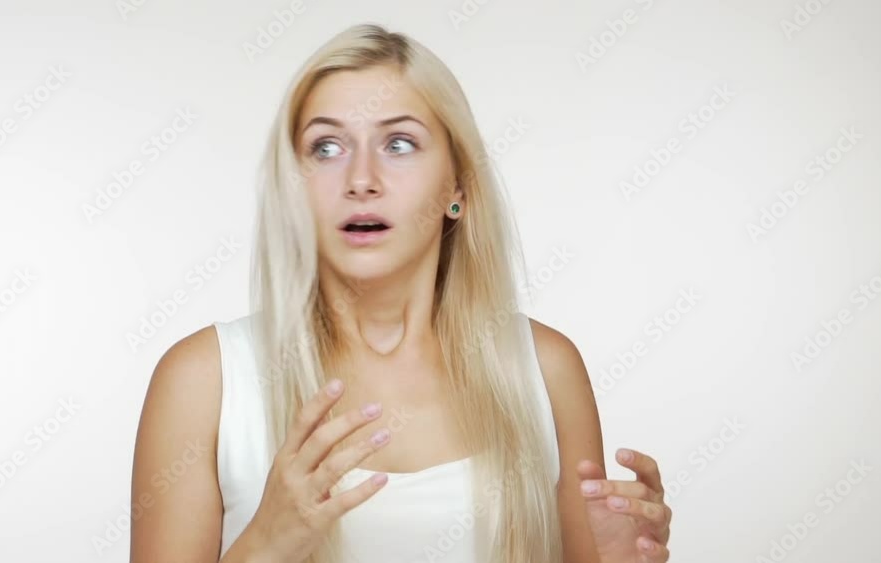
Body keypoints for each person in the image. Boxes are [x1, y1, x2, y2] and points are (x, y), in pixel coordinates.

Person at [130, 23, 672, 563]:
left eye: (399, 143)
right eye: (326, 146)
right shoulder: (203, 382)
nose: (361, 178)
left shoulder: (545, 370)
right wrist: (265, 545)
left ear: (456, 187)